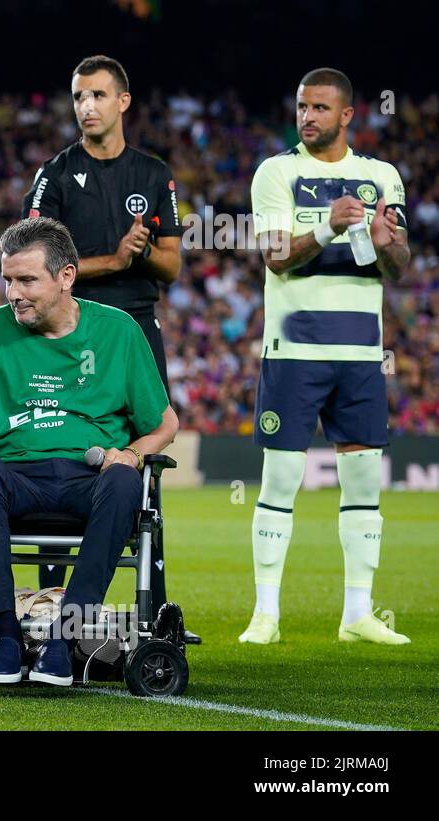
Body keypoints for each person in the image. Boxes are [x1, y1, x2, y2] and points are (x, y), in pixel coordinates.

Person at [0, 217, 179, 686]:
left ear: (66, 276)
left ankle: (63, 639)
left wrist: (131, 455)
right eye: (8, 279)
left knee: (124, 478)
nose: (13, 292)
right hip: (15, 481)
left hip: (90, 481)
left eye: (27, 280)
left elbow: (165, 424)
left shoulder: (118, 331)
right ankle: (5, 638)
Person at [240, 67, 410, 646]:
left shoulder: (380, 176)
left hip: (361, 352)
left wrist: (390, 247)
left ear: (346, 116)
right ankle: (266, 614)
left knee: (364, 482)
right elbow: (275, 255)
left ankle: (358, 615)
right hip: (294, 349)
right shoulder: (277, 172)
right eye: (301, 107)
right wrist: (332, 230)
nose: (307, 117)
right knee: (280, 477)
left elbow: (399, 265)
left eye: (318, 108)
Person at [20, 55, 185, 628]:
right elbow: (36, 265)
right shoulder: (56, 175)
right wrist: (115, 258)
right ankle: (48, 605)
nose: (85, 107)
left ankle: (155, 608)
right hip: (68, 332)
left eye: (96, 96)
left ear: (123, 102)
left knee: (147, 461)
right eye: (78, 97)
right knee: (56, 453)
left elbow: (171, 265)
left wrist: (145, 253)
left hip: (135, 328)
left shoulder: (152, 173)